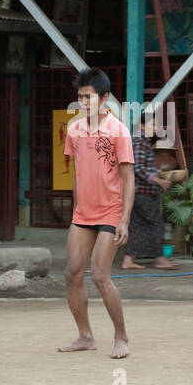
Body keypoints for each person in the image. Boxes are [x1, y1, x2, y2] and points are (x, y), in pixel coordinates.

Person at [58, 67, 135, 358]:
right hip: (83, 214)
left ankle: (121, 336)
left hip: (111, 212)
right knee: (71, 274)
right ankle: (85, 336)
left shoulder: (118, 130)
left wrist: (124, 220)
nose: (83, 102)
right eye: (80, 97)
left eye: (89, 97)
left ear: (104, 98)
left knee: (101, 277)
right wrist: (76, 213)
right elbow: (77, 174)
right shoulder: (74, 129)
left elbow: (129, 178)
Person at [122, 108, 176, 270]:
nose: (155, 128)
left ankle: (127, 260)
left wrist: (157, 173)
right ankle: (160, 259)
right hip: (142, 192)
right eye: (153, 124)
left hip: (138, 192)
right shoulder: (139, 142)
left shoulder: (142, 142)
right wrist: (158, 180)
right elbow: (137, 168)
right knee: (156, 223)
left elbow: (142, 167)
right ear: (143, 126)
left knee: (136, 226)